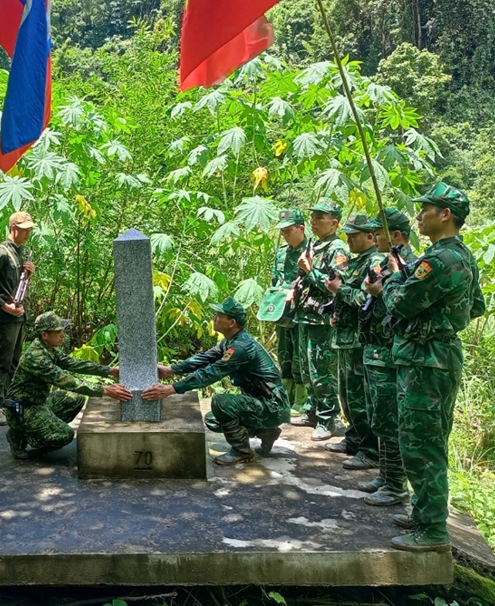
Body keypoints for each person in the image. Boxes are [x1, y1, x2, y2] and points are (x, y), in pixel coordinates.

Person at [366, 183, 484, 552]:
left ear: (445, 214)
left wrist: (387, 285)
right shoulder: (461, 256)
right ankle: (423, 513)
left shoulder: (439, 261)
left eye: (425, 210)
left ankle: (432, 530)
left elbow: (399, 303)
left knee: (422, 445)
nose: (418, 216)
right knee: (422, 439)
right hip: (435, 357)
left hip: (425, 360)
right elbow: (476, 306)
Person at [143, 298, 290, 466]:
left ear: (231, 322)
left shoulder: (241, 347)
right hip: (264, 404)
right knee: (213, 419)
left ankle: (242, 451)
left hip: (273, 406)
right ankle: (266, 431)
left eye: (219, 316)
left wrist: (171, 389)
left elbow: (211, 373)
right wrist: (171, 370)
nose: (214, 319)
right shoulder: (230, 342)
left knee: (221, 403)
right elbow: (205, 358)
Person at [4, 311, 131, 459]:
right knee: (65, 435)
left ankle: (42, 426)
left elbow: (73, 364)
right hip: (22, 410)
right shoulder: (36, 357)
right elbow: (66, 380)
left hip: (38, 403)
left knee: (75, 398)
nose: (62, 335)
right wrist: (104, 390)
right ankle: (19, 434)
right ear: (45, 335)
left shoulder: (49, 349)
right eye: (58, 332)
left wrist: (109, 371)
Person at [357, 208, 417, 507]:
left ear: (395, 235)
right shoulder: (384, 262)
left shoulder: (409, 265)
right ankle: (385, 474)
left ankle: (396, 484)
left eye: (378, 233)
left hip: (391, 353)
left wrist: (381, 292)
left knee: (391, 419)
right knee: (379, 417)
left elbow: (404, 304)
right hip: (375, 351)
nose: (374, 237)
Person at [324, 213, 386, 470]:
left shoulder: (376, 261)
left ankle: (370, 450)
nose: (349, 240)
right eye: (347, 235)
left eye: (354, 235)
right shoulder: (356, 261)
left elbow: (366, 299)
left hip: (361, 341)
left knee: (361, 398)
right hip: (346, 338)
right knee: (348, 397)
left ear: (370, 236)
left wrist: (340, 290)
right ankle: (354, 438)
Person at [295, 198, 350, 441]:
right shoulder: (314, 245)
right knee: (306, 369)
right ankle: (312, 411)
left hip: (323, 319)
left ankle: (328, 418)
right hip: (306, 317)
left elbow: (336, 286)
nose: (313, 221)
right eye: (313, 216)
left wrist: (310, 271)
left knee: (322, 371)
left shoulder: (337, 249)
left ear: (334, 223)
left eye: (320, 217)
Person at [0, 211, 36, 426]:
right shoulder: (1, 253)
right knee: (3, 361)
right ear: (13, 228)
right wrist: (3, 305)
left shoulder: (19, 252)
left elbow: (16, 284)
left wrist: (28, 274)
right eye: (24, 230)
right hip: (4, 317)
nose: (27, 234)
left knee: (14, 361)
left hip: (18, 315)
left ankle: (8, 401)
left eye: (30, 230)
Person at [270, 208, 311, 418]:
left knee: (300, 357)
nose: (284, 235)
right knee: (284, 354)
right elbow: (274, 281)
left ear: (301, 228)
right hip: (282, 312)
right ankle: (285, 397)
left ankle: (302, 400)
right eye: (282, 231)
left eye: (288, 230)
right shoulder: (281, 254)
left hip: (303, 313)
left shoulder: (312, 251)